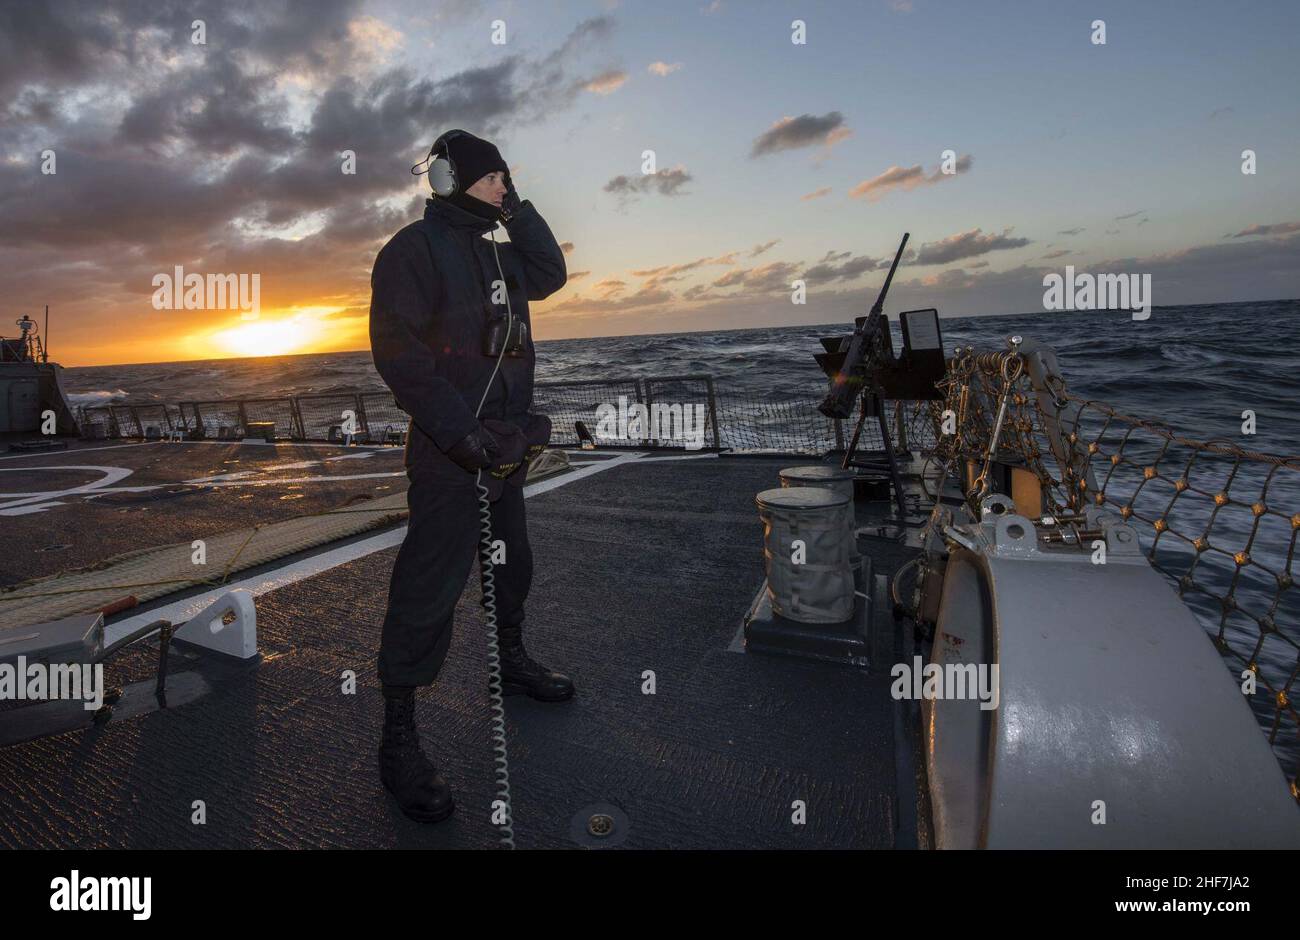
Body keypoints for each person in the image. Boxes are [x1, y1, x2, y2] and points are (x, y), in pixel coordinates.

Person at [368, 130, 572, 823]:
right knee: (429, 591)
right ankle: (398, 737)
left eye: (507, 180)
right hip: (449, 451)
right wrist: (460, 435)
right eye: (492, 181)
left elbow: (551, 275)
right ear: (452, 180)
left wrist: (518, 211)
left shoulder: (500, 251)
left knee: (511, 566)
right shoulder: (411, 252)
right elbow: (399, 357)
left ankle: (510, 661)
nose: (502, 189)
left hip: (506, 447)